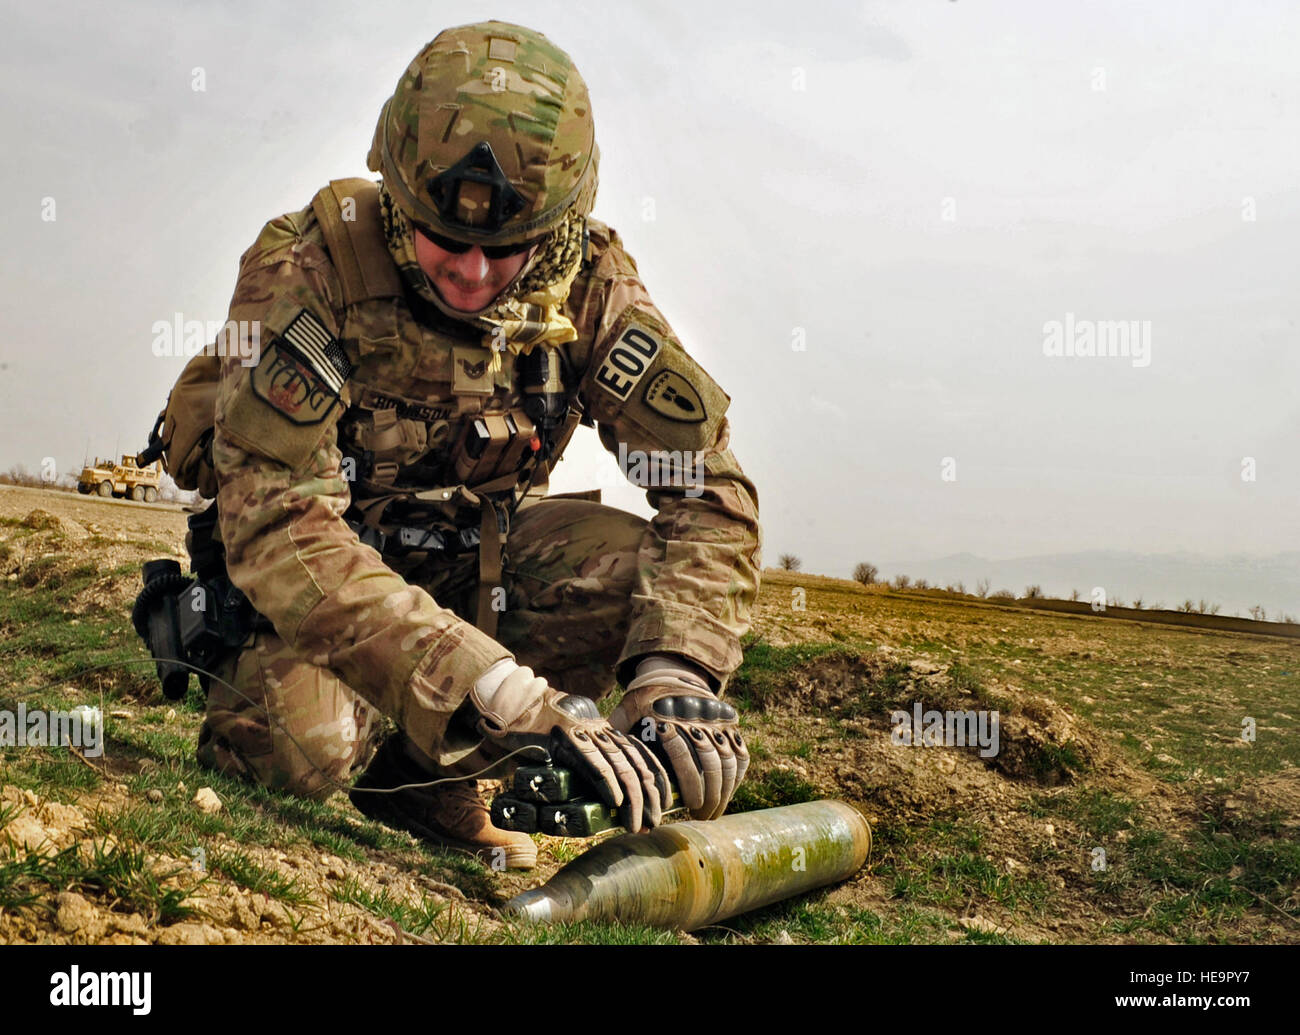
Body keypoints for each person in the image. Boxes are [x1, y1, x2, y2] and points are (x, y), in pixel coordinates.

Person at [159, 20, 761, 870]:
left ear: (557, 223)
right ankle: (309, 725)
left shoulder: (587, 287)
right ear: (398, 191)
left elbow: (707, 486)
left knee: (630, 582)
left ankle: (430, 780)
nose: (472, 275)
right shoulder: (310, 266)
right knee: (301, 746)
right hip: (320, 583)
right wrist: (501, 688)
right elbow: (279, 522)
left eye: (504, 249)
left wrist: (675, 674)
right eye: (446, 237)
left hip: (468, 564)